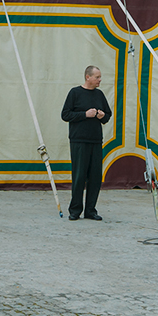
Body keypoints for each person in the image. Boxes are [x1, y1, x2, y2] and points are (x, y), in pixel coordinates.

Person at [61, 65, 111, 221]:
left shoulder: (100, 95)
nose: (100, 80)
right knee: (79, 176)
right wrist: (85, 114)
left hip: (95, 140)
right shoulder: (75, 93)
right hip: (79, 140)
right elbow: (65, 115)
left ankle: (90, 210)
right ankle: (75, 210)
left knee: (95, 177)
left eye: (100, 77)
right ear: (88, 77)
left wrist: (102, 116)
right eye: (97, 77)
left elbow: (108, 115)